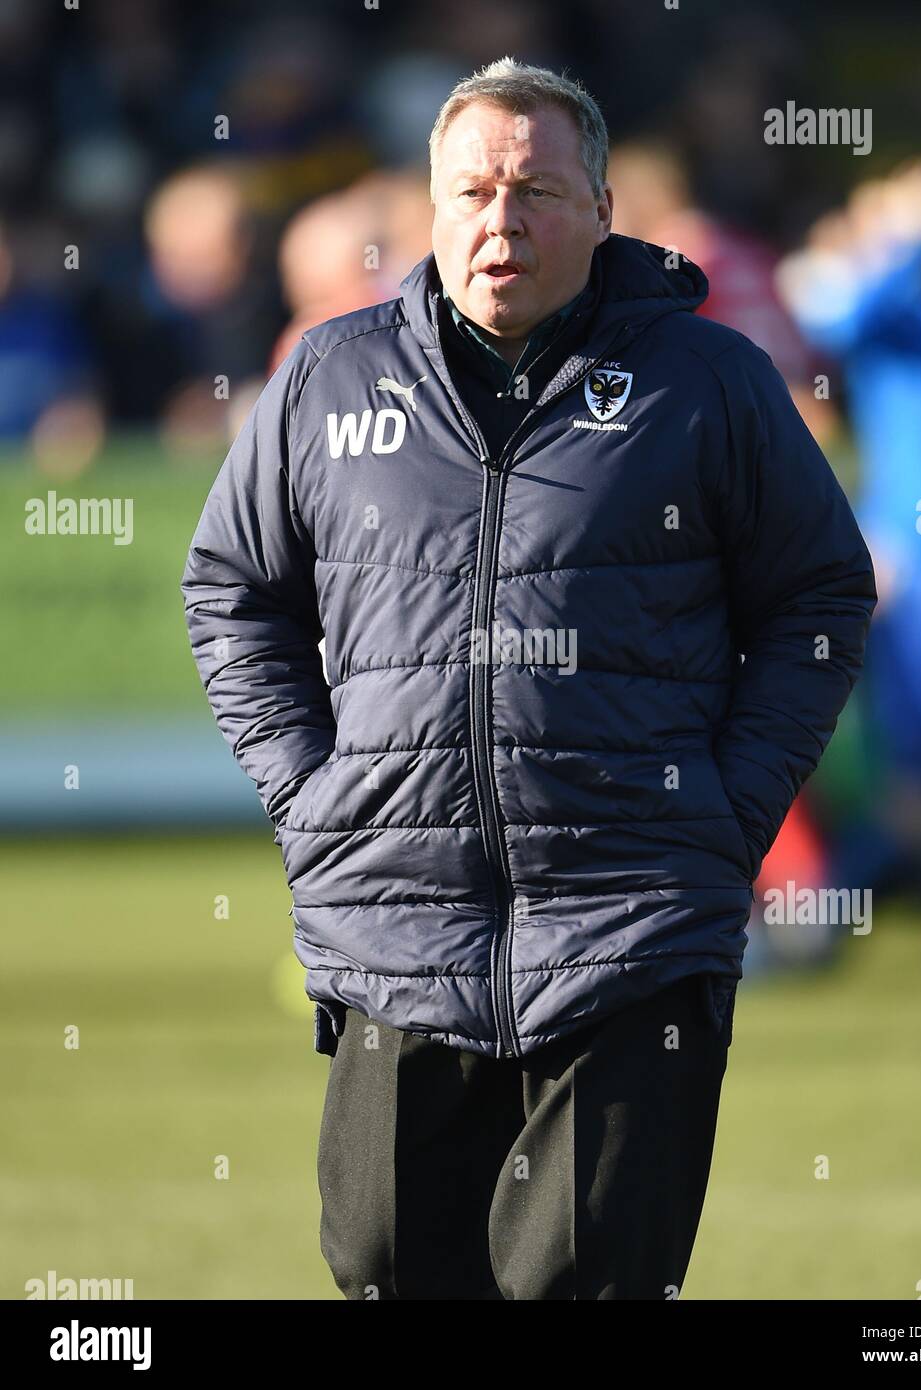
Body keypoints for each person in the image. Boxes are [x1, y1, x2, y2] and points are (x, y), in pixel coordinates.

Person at [180, 57, 877, 1300]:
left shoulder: (709, 383)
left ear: (605, 209)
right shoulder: (330, 380)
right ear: (430, 210)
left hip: (632, 925)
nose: (502, 221)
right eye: (474, 192)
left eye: (537, 190)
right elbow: (234, 593)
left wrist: (726, 815)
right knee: (387, 1264)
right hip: (395, 920)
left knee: (583, 1277)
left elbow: (817, 597)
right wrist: (312, 795)